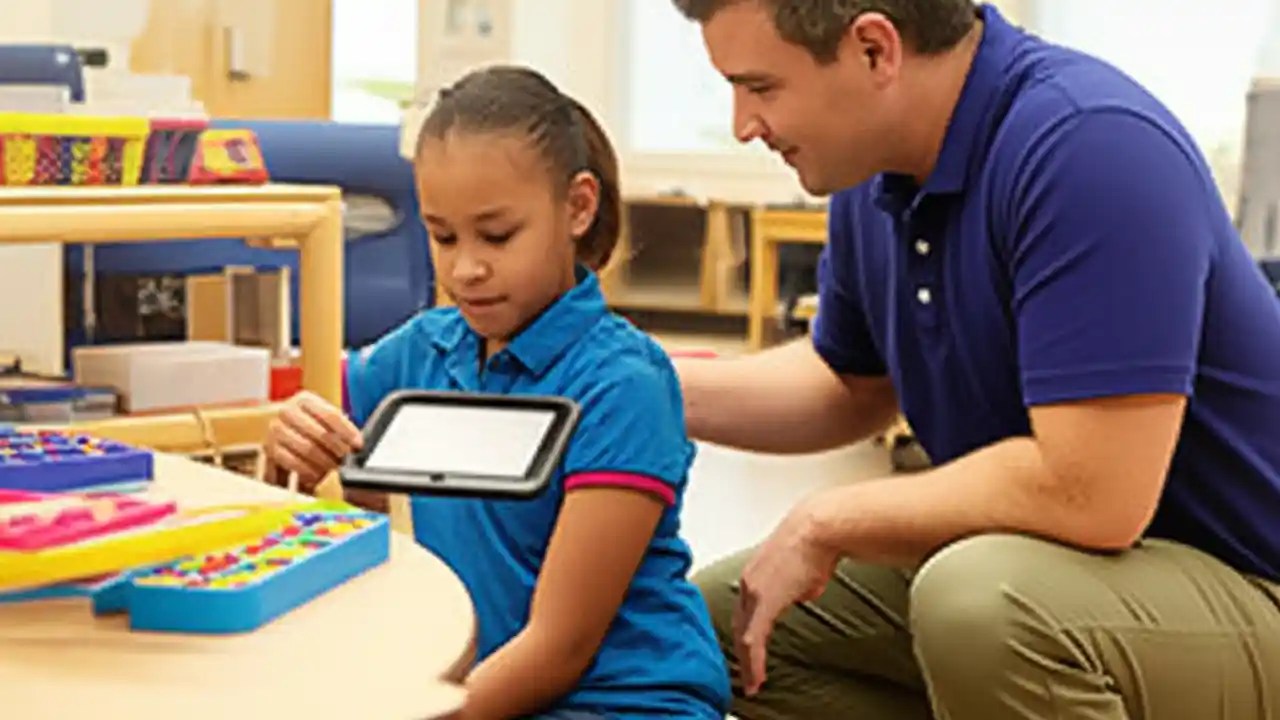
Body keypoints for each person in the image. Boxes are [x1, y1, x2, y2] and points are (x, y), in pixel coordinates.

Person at [670, 1, 1280, 718]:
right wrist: (636, 384)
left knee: (980, 605)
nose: (744, 124)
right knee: (720, 632)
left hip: (1248, 583)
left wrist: (824, 519)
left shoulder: (1089, 147)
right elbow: (849, 384)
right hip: (1070, 576)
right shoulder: (876, 175)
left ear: (874, 50)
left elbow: (1093, 493)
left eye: (762, 88)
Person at [263, 66, 731, 720]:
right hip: (481, 692)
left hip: (625, 703)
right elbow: (320, 494)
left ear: (577, 207)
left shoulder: (624, 384)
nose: (466, 269)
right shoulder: (418, 352)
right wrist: (294, 438)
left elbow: (559, 648)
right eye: (442, 235)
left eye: (498, 235)